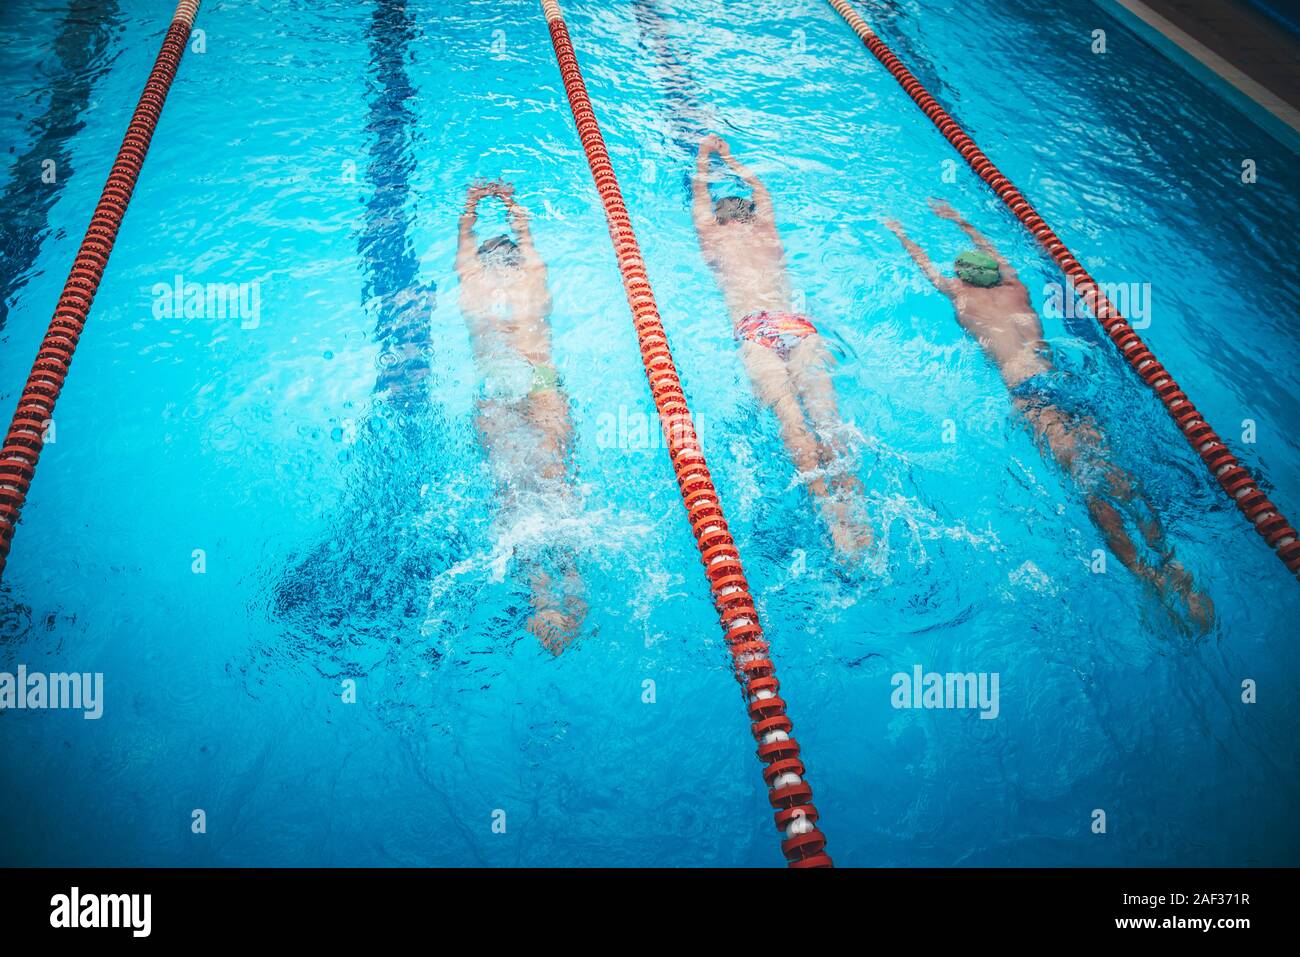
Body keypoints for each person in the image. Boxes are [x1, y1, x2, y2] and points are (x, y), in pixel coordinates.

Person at [886, 199, 1212, 630]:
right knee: (1113, 471)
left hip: (1028, 395)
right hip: (1061, 381)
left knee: (1088, 484)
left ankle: (1143, 573)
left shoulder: (958, 292)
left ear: (964, 277)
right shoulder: (1016, 286)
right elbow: (994, 251)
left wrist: (900, 232)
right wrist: (960, 220)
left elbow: (925, 266)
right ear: (996, 274)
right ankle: (1168, 558)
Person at [692, 134, 871, 556]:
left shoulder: (712, 240)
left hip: (755, 329)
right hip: (796, 324)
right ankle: (858, 514)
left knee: (792, 420)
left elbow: (699, 197)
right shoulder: (768, 234)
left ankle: (831, 519)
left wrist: (703, 157)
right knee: (828, 418)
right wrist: (731, 159)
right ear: (753, 215)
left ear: (718, 220)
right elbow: (762, 190)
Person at [456, 180, 585, 652]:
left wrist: (473, 204)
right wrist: (509, 203)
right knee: (557, 476)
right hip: (540, 378)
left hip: (496, 386)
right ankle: (573, 585)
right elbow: (527, 237)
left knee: (511, 486)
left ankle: (541, 599)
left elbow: (463, 247)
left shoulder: (472, 284)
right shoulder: (534, 278)